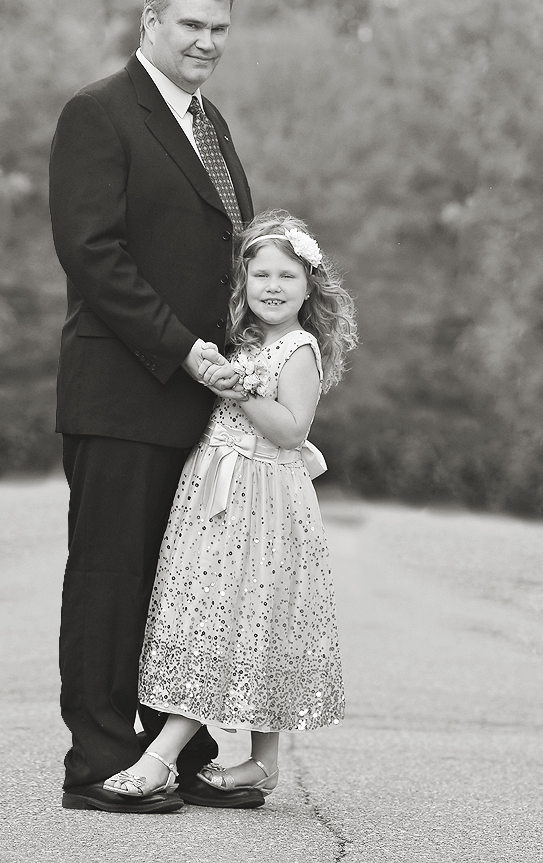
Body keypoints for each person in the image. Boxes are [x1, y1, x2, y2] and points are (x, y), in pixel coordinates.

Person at [49, 0, 259, 814]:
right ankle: (99, 762)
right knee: (112, 577)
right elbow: (92, 255)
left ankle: (176, 750)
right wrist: (186, 351)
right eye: (192, 25)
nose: (207, 41)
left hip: (201, 402)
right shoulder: (99, 113)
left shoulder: (210, 124)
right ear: (151, 21)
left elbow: (224, 256)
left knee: (183, 584)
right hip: (124, 390)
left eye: (220, 29)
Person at [102, 209, 358, 803]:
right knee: (229, 613)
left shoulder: (298, 349)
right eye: (261, 275)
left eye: (287, 276)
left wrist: (236, 391)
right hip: (216, 488)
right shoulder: (244, 342)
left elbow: (292, 430)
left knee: (239, 614)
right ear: (243, 282)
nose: (273, 287)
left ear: (310, 287)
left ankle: (160, 756)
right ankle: (263, 763)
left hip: (264, 496)